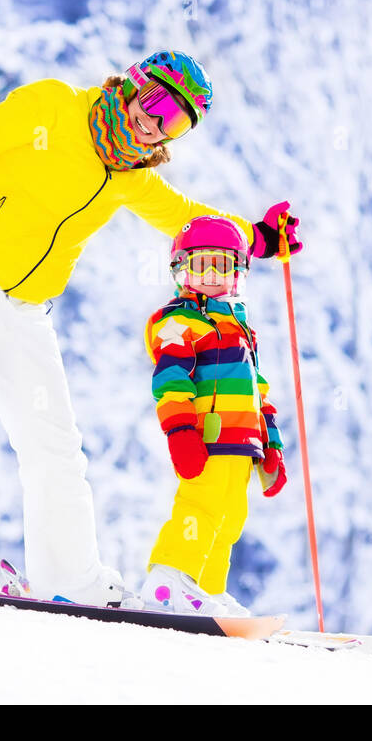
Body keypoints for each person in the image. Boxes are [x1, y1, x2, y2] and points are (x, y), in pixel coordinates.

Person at [0, 50, 303, 606]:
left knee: (53, 442)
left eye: (174, 121)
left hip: (25, 306)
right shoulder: (55, 107)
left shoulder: (130, 177)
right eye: (154, 102)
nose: (154, 123)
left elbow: (189, 218)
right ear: (129, 86)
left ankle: (70, 580)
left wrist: (262, 239)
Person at [138, 215, 288, 617]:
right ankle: (170, 576)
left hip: (243, 444)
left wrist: (271, 443)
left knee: (229, 518)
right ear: (181, 270)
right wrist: (181, 431)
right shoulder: (178, 321)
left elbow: (259, 391)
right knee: (200, 507)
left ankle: (206, 588)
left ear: (236, 272)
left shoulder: (240, 327)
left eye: (221, 264)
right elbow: (170, 381)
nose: (210, 274)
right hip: (206, 437)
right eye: (199, 264)